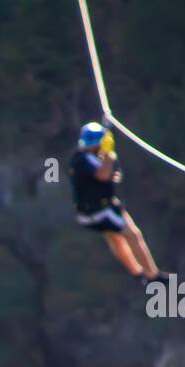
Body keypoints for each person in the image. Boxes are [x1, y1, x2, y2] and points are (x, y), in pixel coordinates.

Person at [69, 120, 167, 285]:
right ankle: (152, 276)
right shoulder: (85, 159)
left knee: (115, 237)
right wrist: (108, 154)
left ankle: (138, 274)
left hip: (91, 211)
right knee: (132, 235)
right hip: (99, 211)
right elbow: (103, 175)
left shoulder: (82, 157)